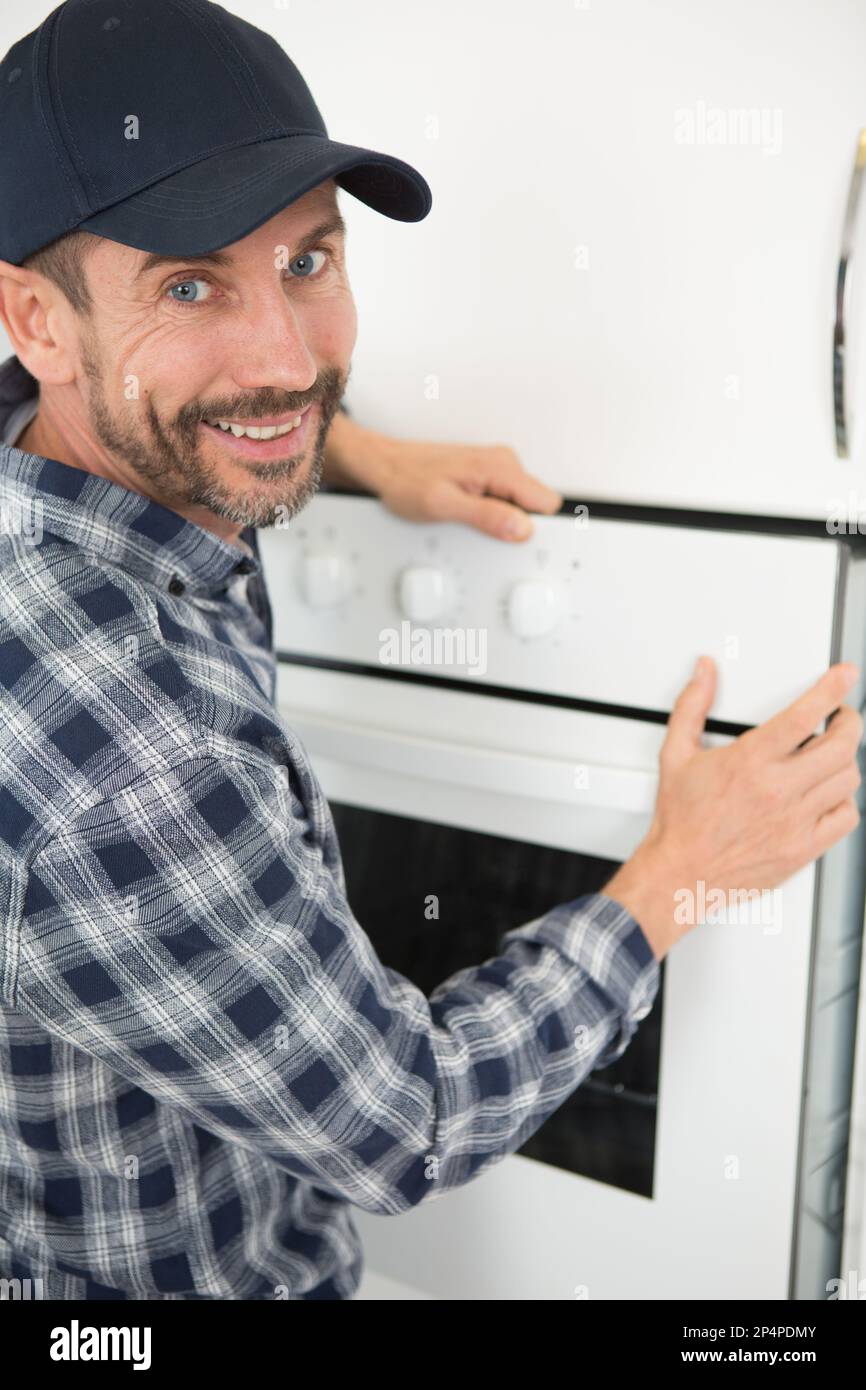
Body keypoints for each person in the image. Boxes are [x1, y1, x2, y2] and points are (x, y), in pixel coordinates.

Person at [0, 0, 861, 1302]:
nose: (287, 358)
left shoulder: (49, 428)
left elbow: (240, 383)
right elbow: (400, 1117)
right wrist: (687, 867)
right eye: (190, 285)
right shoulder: (127, 754)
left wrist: (356, 454)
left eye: (307, 260)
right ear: (38, 321)